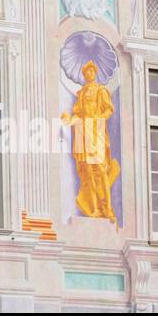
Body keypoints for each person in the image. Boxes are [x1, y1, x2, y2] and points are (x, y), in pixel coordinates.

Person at [60, 60, 119, 222]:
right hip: (83, 131)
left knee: (100, 170)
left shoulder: (101, 91)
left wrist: (98, 119)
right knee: (88, 173)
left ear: (95, 73)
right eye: (86, 72)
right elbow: (78, 114)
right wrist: (69, 121)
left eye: (91, 71)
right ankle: (93, 209)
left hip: (96, 131)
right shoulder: (82, 93)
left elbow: (108, 109)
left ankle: (107, 208)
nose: (89, 74)